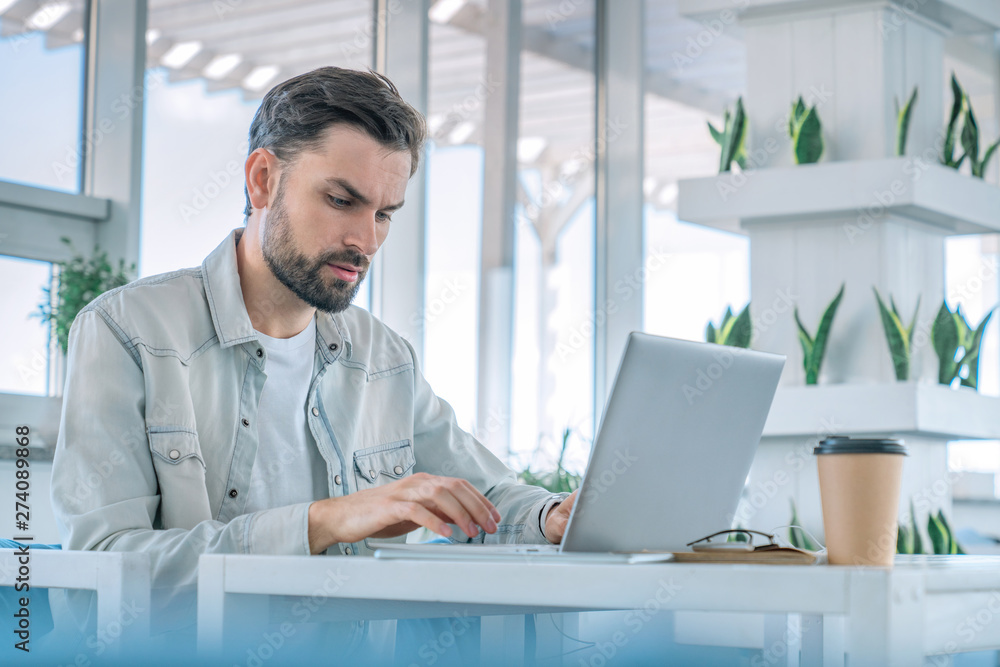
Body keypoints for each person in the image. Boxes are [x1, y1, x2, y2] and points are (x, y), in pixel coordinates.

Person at [49, 66, 578, 650]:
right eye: (341, 200)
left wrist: (554, 516)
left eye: (383, 214)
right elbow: (100, 576)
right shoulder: (126, 330)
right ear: (262, 180)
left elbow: (485, 495)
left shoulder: (384, 358)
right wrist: (324, 521)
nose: (366, 241)